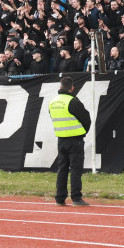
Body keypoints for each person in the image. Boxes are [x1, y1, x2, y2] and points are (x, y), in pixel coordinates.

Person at [49, 76, 91, 206]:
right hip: (75, 140)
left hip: (61, 139)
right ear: (72, 88)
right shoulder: (73, 101)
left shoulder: (52, 102)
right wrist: (82, 132)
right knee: (75, 169)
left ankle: (59, 198)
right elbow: (86, 119)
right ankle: (76, 198)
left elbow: (52, 116)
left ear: (60, 87)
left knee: (62, 169)